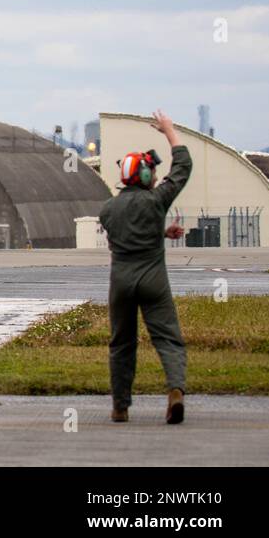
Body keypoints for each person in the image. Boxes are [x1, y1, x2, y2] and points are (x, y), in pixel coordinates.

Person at [98, 110, 191, 424]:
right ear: (148, 177)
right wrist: (169, 131)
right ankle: (175, 390)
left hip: (121, 281)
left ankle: (120, 407)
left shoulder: (108, 209)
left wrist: (159, 231)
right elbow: (183, 166)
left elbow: (126, 233)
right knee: (168, 339)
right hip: (153, 279)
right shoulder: (156, 201)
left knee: (121, 343)